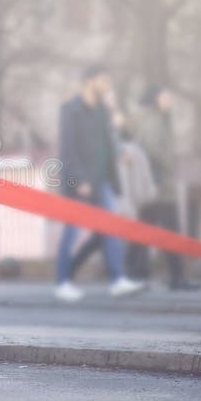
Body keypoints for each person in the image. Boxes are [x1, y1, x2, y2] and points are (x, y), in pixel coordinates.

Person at [55, 66, 146, 302]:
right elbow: (68, 150)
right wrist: (80, 180)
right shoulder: (70, 110)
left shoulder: (103, 111)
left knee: (110, 228)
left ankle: (117, 280)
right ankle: (63, 282)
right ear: (89, 82)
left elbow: (109, 141)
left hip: (102, 179)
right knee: (71, 233)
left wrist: (118, 153)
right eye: (104, 81)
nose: (107, 86)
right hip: (80, 181)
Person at [130, 85, 201, 290]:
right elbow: (153, 149)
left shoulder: (151, 119)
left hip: (154, 186)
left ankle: (136, 274)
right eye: (166, 97)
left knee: (143, 231)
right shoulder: (154, 121)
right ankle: (176, 278)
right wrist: (169, 165)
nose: (169, 100)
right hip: (160, 186)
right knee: (171, 232)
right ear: (155, 99)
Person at [70, 113, 157, 278]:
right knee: (104, 237)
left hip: (119, 195)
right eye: (118, 118)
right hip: (110, 194)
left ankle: (128, 272)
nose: (122, 120)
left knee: (104, 237)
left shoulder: (128, 142)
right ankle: (126, 272)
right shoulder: (104, 135)